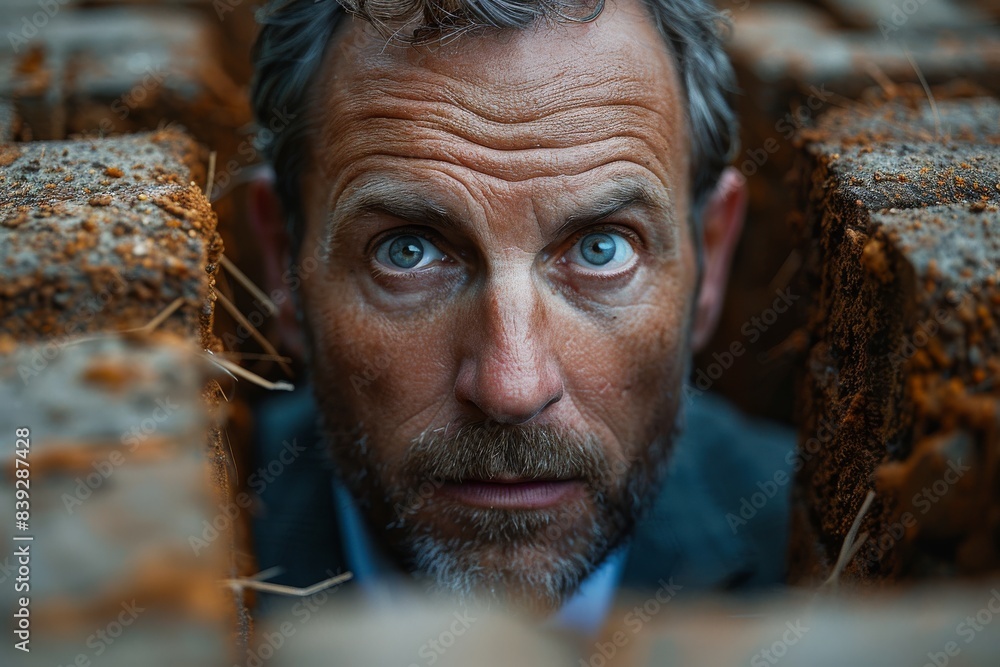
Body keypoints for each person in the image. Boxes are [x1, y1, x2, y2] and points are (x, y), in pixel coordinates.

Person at [247, 0, 795, 633]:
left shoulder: (819, 558)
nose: (513, 389)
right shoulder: (172, 561)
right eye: (408, 251)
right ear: (285, 266)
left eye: (602, 249)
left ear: (710, 263)